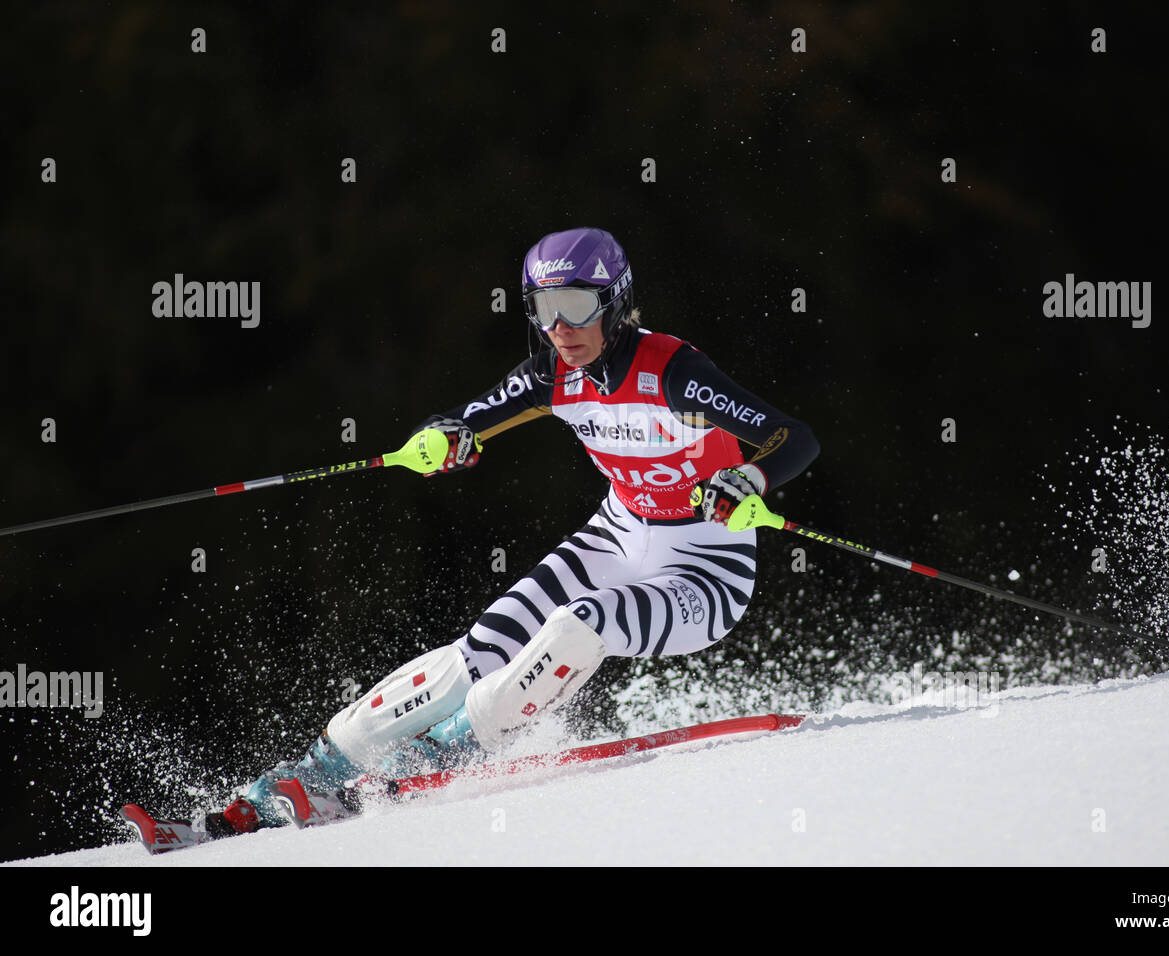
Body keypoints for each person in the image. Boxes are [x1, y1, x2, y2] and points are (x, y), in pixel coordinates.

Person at [221, 227, 819, 832]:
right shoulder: (551, 375)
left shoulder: (672, 374)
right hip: (617, 535)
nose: (561, 327)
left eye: (579, 305)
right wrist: (440, 440)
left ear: (616, 301)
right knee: (474, 657)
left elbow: (793, 437)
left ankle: (438, 756)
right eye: (543, 308)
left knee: (578, 626)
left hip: (705, 570)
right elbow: (462, 422)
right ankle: (304, 777)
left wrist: (749, 480)